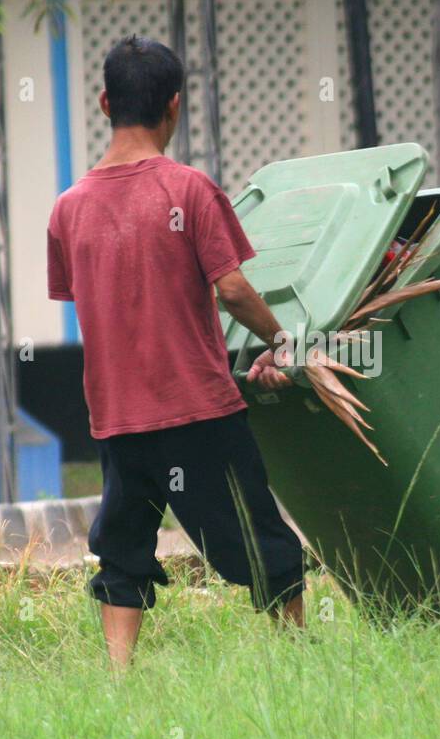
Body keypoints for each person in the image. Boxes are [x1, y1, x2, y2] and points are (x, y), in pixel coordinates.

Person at [47, 36, 304, 671]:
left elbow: (88, 296)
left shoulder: (67, 209)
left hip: (117, 418)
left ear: (105, 102)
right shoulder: (188, 190)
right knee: (260, 541)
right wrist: (284, 342)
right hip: (199, 412)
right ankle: (299, 665)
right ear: (175, 106)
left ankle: (117, 678)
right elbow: (234, 288)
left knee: (123, 550)